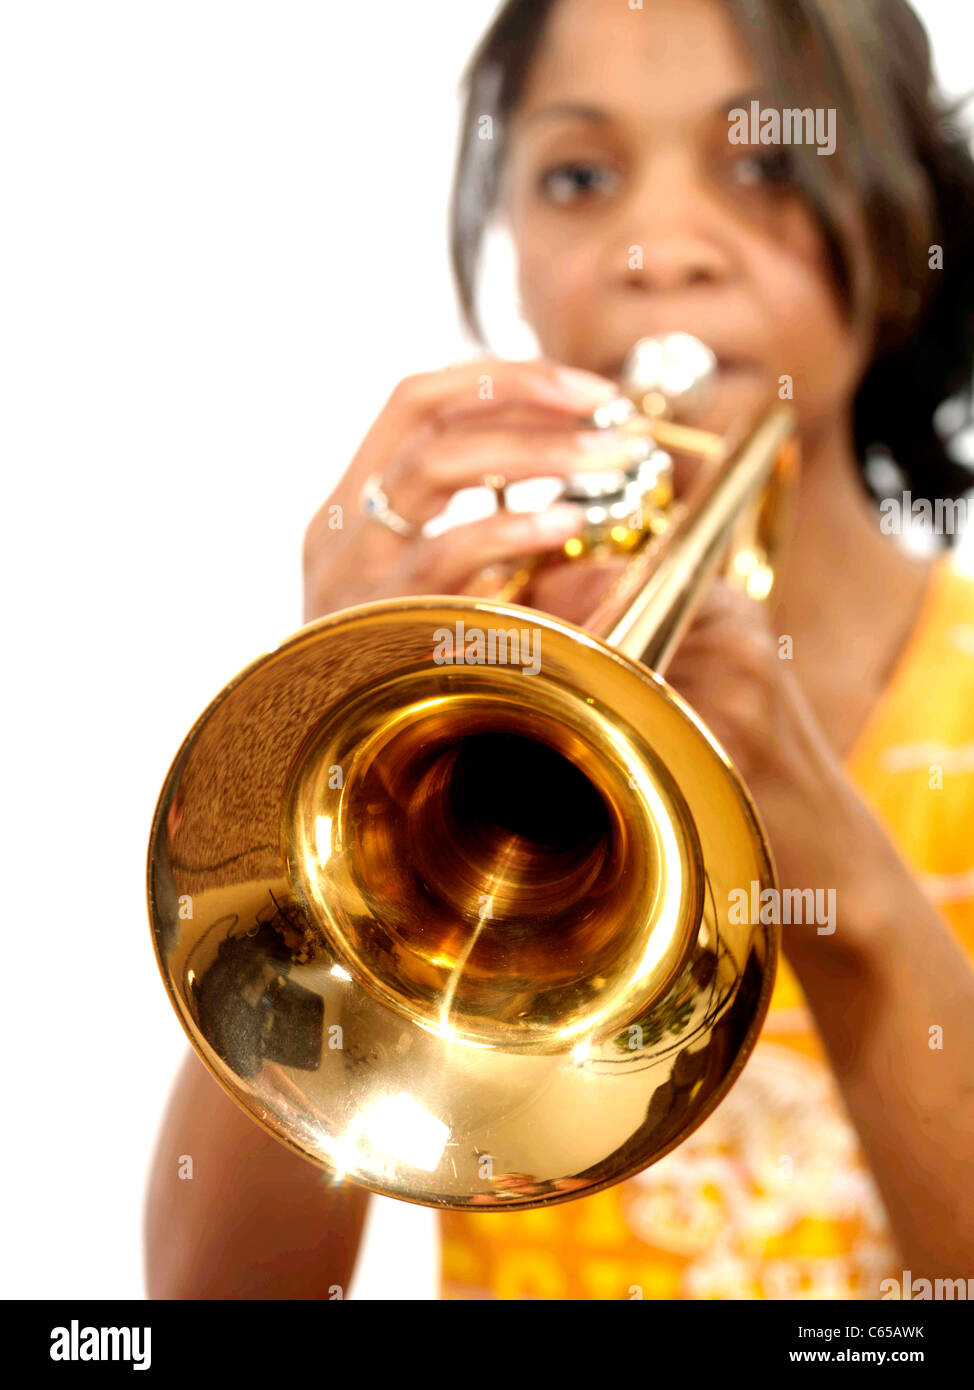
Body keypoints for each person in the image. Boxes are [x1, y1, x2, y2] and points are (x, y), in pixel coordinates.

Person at [144, 0, 974, 1300]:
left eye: (760, 163)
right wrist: (332, 707)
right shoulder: (450, 696)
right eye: (577, 177)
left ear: (891, 227)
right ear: (514, 248)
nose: (652, 250)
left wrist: (837, 867)